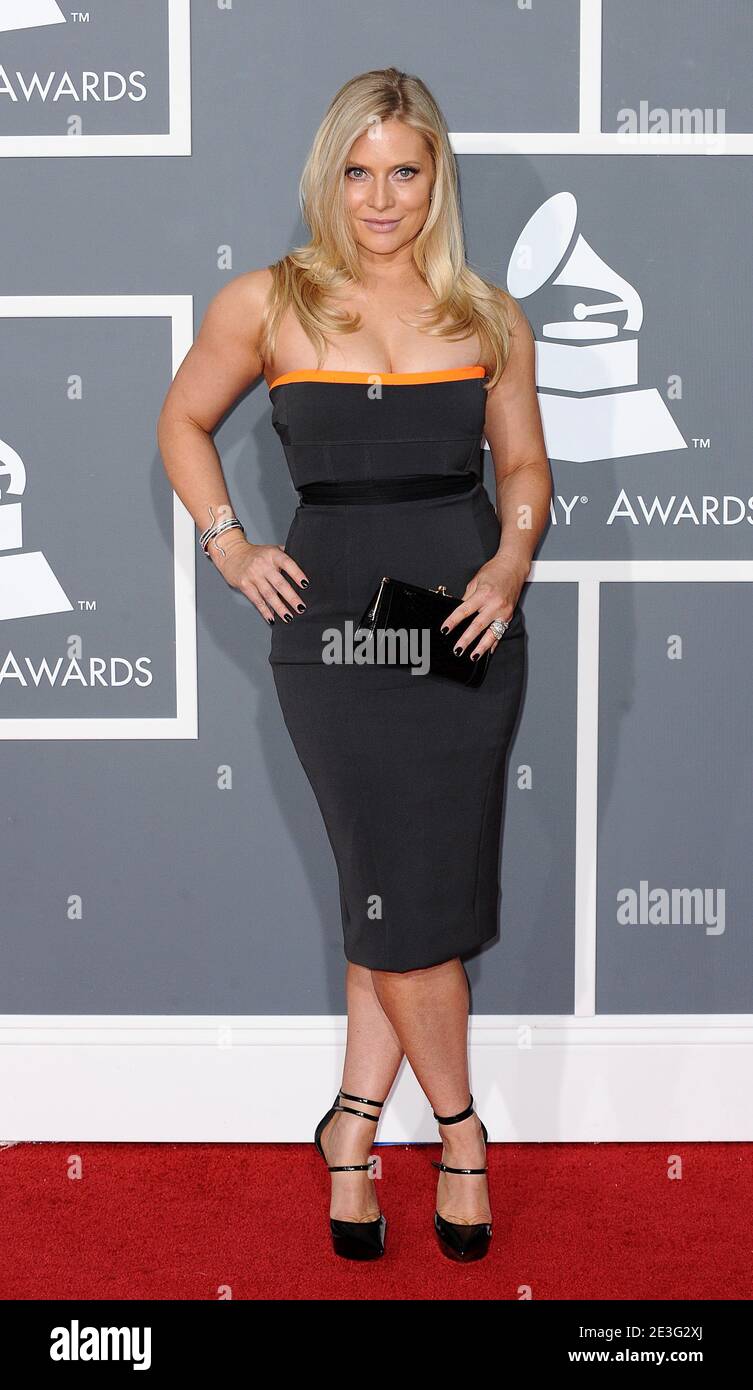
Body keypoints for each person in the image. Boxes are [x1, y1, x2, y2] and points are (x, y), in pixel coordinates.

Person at [157, 66, 551, 1263]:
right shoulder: (268, 302)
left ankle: (351, 1130)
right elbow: (181, 420)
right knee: (404, 900)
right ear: (330, 175)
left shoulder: (488, 316)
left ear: (437, 179)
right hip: (335, 640)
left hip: (467, 633)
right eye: (358, 170)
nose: (380, 196)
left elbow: (525, 473)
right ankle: (466, 1135)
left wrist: (510, 565)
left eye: (405, 171)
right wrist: (229, 545)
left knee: (404, 897)